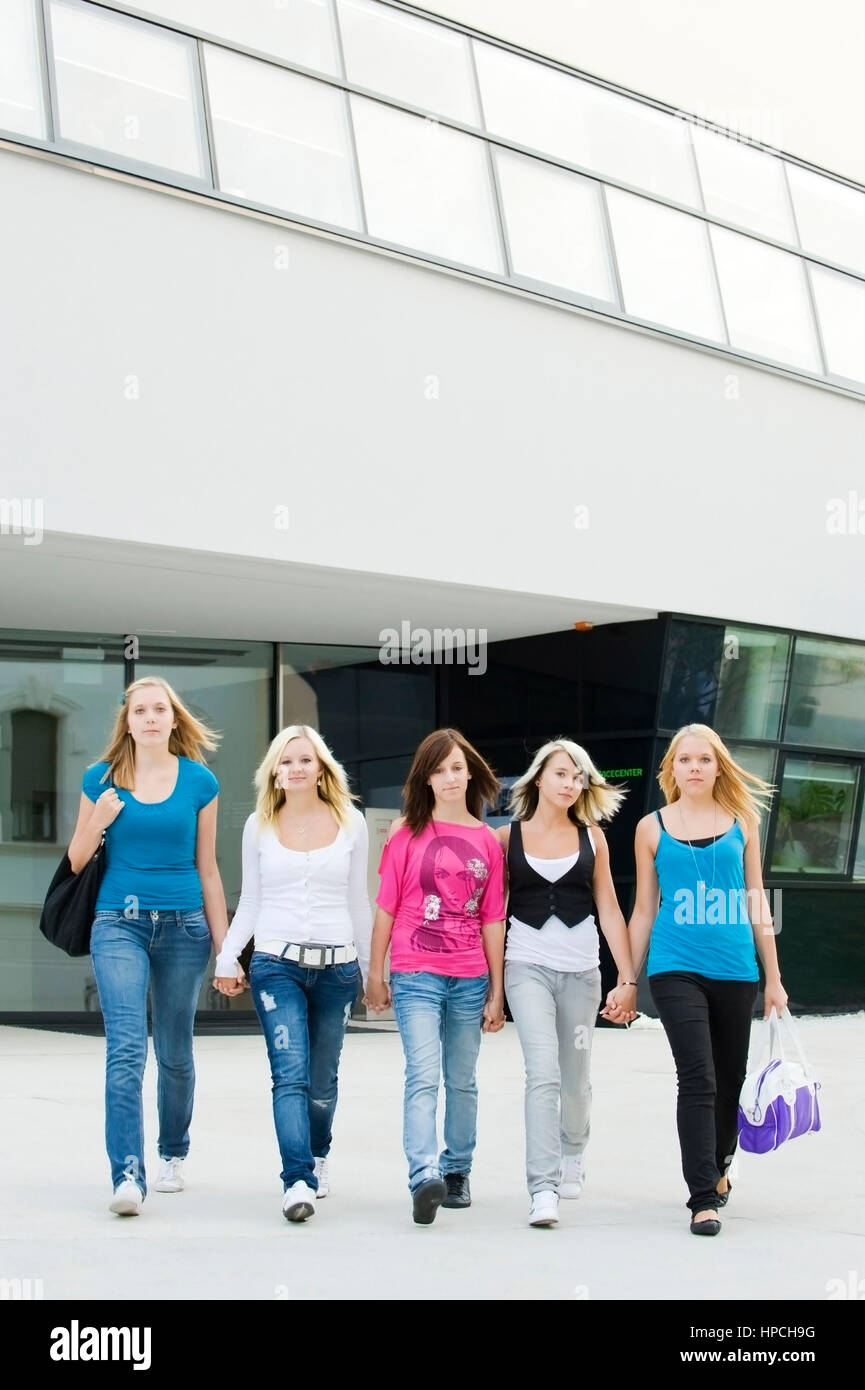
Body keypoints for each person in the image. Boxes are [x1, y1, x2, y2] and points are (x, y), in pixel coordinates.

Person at [69, 677, 228, 1216]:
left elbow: (208, 868)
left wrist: (225, 948)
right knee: (126, 1049)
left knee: (176, 1051)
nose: (151, 718)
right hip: (119, 923)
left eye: (160, 709)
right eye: (141, 710)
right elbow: (76, 858)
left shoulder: (200, 782)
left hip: (185, 928)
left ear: (174, 718)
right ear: (128, 721)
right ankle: (127, 1174)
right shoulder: (100, 779)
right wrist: (102, 817)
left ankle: (172, 1154)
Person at [627, 723, 788, 1236]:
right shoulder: (651, 827)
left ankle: (720, 1163)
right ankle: (702, 1197)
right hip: (675, 966)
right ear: (670, 768)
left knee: (728, 1080)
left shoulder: (743, 820)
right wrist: (626, 978)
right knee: (697, 1076)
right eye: (684, 760)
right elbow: (643, 908)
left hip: (737, 968)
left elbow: (757, 900)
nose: (693, 768)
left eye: (703, 759)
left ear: (718, 766)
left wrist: (774, 979)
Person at [213, 726, 371, 1223]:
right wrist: (227, 956)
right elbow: (252, 900)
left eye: (305, 760)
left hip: (338, 969)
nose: (296, 768)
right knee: (290, 1075)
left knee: (322, 1080)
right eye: (286, 761)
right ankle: (296, 1179)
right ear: (274, 772)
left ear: (321, 768)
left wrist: (373, 971)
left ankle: (318, 1154)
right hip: (276, 966)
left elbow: (358, 903)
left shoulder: (351, 822)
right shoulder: (259, 825)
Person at [493, 739, 638, 1228]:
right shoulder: (506, 839)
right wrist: (494, 989)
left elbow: (611, 910)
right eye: (561, 774)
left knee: (575, 1079)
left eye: (577, 777)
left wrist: (629, 977)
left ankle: (574, 1148)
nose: (570, 784)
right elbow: (492, 917)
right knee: (542, 1073)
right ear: (538, 779)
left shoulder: (593, 838)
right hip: (525, 966)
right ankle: (542, 1187)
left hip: (581, 972)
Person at [364, 728, 506, 1225]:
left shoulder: (488, 841)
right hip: (415, 972)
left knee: (462, 1080)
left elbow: (492, 918)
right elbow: (386, 907)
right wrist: (375, 971)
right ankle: (424, 1176)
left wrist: (497, 990)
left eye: (457, 767)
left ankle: (458, 1170)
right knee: (422, 1076)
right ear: (426, 778)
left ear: (470, 773)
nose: (450, 777)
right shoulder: (405, 835)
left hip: (469, 976)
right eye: (439, 769)